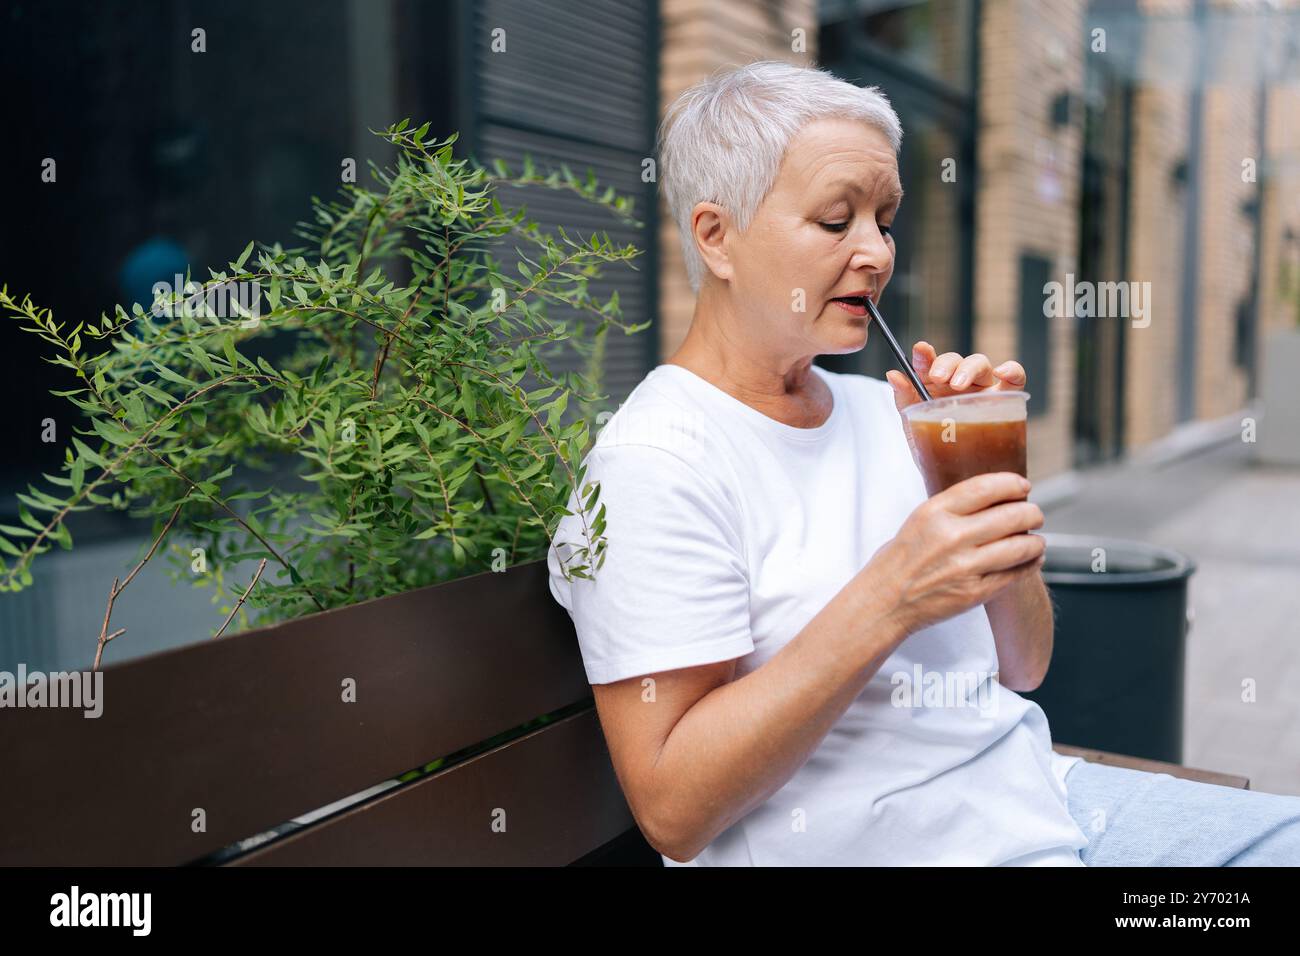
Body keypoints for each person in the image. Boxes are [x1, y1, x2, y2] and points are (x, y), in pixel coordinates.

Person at [547, 60, 1300, 866]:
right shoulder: (656, 465)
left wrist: (985, 481)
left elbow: (1026, 664)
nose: (875, 252)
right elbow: (674, 811)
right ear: (715, 236)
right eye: (836, 220)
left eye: (886, 217)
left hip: (1047, 803)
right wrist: (891, 597)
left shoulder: (891, 414)